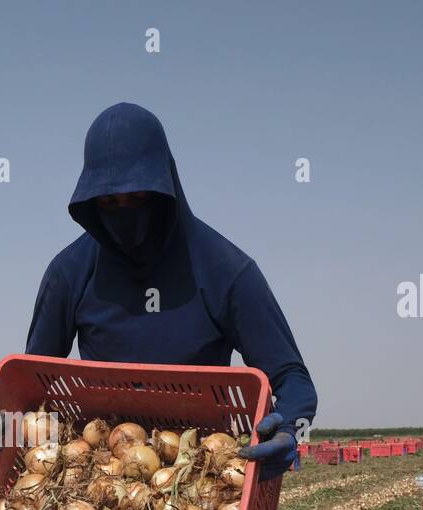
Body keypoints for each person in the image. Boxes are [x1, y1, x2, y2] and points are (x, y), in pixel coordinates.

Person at [25, 103, 316, 478]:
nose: (123, 213)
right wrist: (0, 415)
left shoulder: (225, 270)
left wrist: (290, 424)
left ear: (166, 189)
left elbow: (292, 376)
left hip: (199, 471)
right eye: (109, 203)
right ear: (91, 203)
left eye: (138, 199)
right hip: (102, 475)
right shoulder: (70, 273)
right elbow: (34, 383)